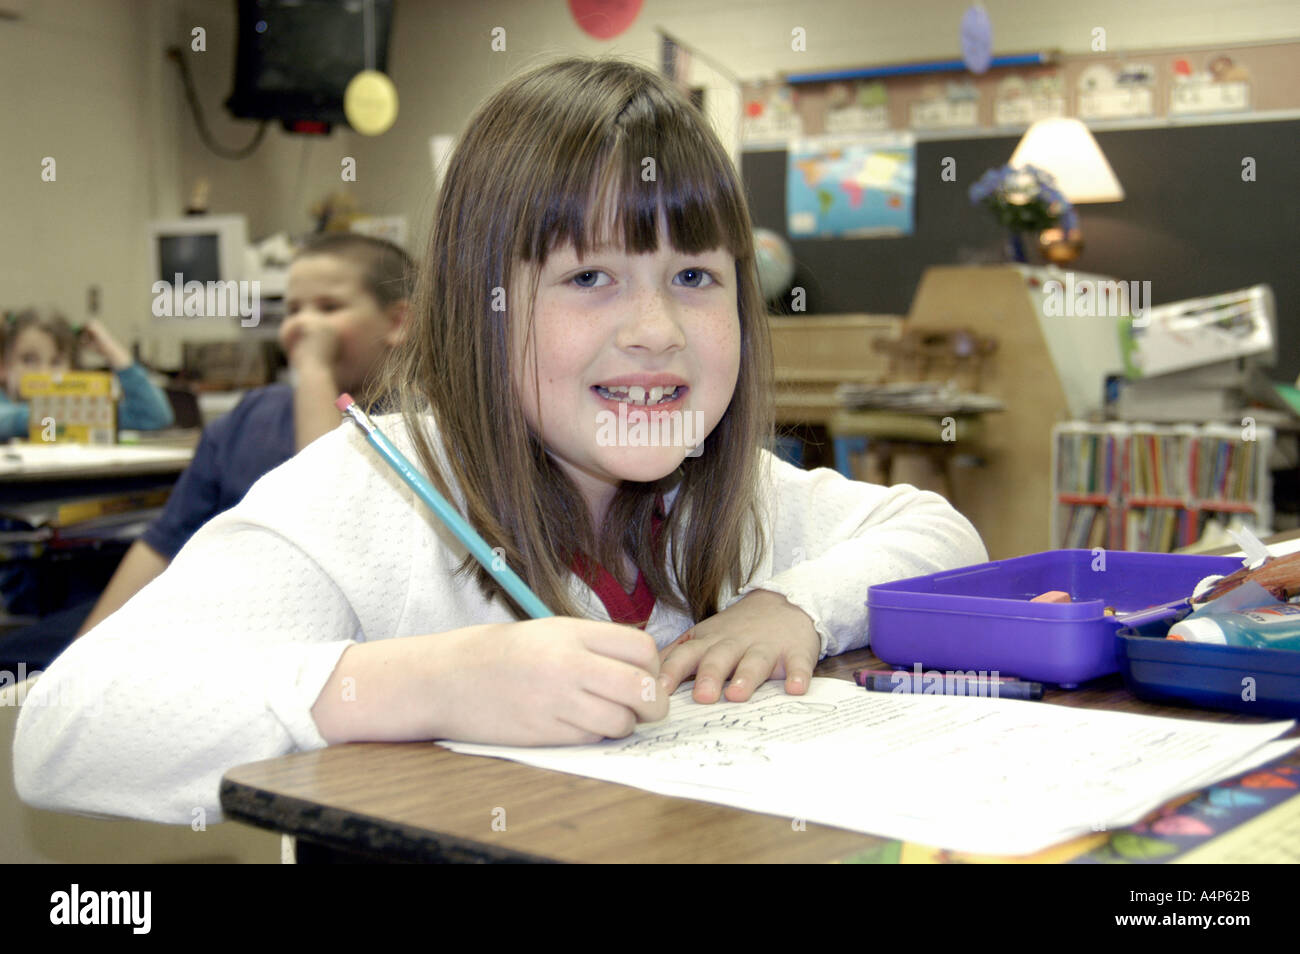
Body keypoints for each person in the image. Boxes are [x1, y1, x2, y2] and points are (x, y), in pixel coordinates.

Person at [14, 56, 987, 824]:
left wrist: (793, 607)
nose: (656, 328)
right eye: (589, 277)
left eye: (694, 277)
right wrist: (426, 682)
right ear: (480, 311)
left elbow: (942, 535)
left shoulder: (737, 500)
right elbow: (65, 729)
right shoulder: (366, 494)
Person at [69, 233, 413, 639]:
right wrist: (81, 652)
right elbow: (161, 545)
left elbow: (326, 506)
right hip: (213, 631)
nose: (302, 324)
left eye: (328, 307)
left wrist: (316, 373)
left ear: (396, 323)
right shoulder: (251, 415)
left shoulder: (413, 426)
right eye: (293, 309)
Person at [0, 310, 173, 440]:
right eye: (28, 361)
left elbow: (153, 415)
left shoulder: (78, 408)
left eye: (56, 363)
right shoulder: (7, 410)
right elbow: (8, 420)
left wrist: (113, 353)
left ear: (72, 371)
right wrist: (55, 414)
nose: (43, 373)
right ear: (3, 367)